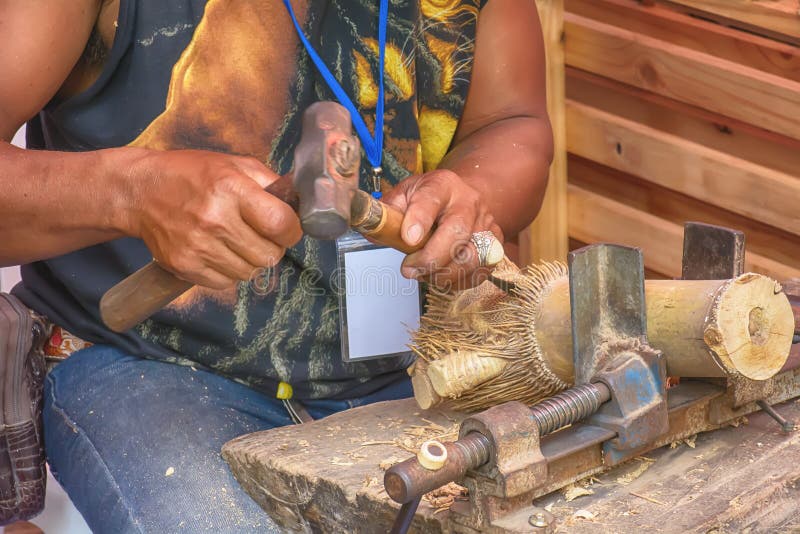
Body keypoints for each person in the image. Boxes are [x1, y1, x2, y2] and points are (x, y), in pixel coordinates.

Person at [0, 0, 553, 531]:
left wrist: (474, 192)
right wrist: (131, 194)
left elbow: (512, 122)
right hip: (144, 361)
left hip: (410, 365)